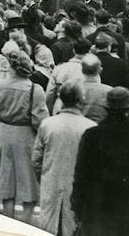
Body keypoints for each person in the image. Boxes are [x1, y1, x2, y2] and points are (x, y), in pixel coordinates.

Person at [71, 87, 129, 236]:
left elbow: (81, 175)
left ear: (107, 108)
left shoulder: (92, 136)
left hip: (97, 204)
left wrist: (78, 206)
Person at [0, 49, 48, 222]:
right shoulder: (35, 89)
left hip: (5, 133)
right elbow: (40, 120)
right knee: (29, 181)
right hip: (27, 135)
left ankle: (8, 221)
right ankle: (26, 222)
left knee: (7, 181)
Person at [32, 82, 96, 236]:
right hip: (78, 189)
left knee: (48, 227)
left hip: (51, 183)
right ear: (80, 100)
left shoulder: (47, 124)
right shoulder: (91, 127)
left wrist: (45, 177)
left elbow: (36, 159)